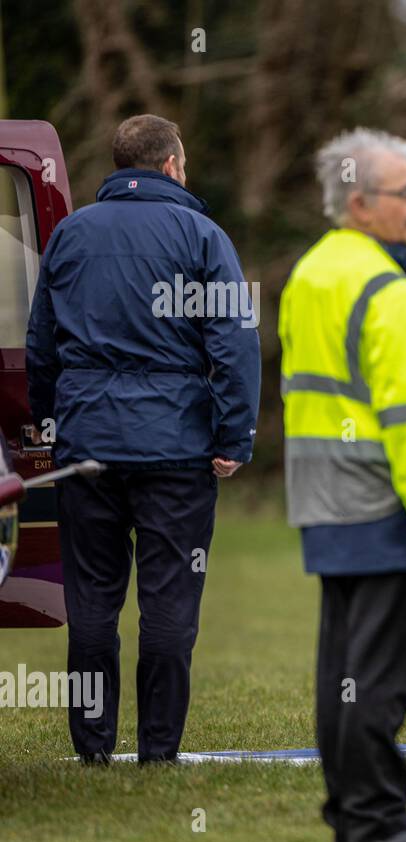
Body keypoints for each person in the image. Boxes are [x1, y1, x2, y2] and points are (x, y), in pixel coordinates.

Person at [26, 114, 260, 764]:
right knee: (169, 602)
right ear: (170, 165)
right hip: (175, 448)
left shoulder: (70, 235)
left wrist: (52, 423)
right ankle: (159, 749)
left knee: (92, 602)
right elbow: (235, 347)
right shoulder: (202, 236)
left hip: (87, 445)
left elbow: (40, 344)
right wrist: (232, 434)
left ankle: (93, 747)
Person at [279, 128, 406, 842]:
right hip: (385, 504)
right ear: (360, 203)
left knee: (345, 675)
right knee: (381, 679)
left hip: (324, 502)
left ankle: (350, 818)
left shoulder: (311, 274)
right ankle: (378, 823)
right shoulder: (387, 290)